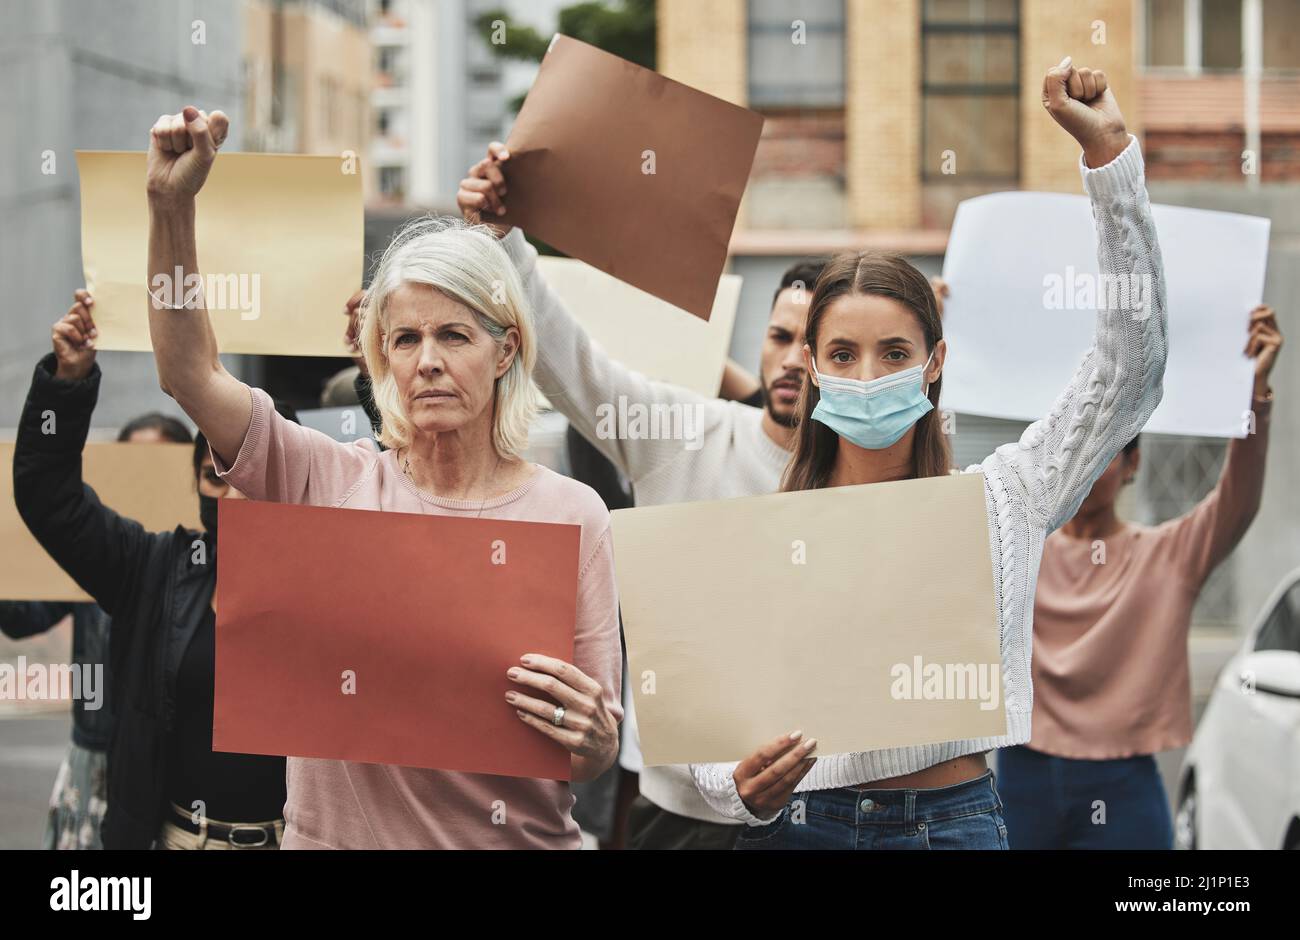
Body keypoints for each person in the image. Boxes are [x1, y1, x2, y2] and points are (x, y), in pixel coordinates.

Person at [684, 59, 1168, 849]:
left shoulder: (1001, 502)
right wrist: (737, 787)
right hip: (800, 830)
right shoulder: (761, 532)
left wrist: (1110, 157)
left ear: (935, 362)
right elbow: (709, 722)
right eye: (841, 354)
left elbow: (1130, 369)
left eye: (893, 352)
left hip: (953, 828)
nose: (867, 376)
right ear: (810, 365)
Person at [141, 105, 623, 849]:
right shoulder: (323, 481)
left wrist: (593, 736)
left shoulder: (572, 512)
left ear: (504, 351)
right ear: (383, 359)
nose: (426, 359)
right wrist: (170, 207)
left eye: (453, 334)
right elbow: (189, 373)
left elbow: (593, 755)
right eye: (405, 338)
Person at [458, 163, 827, 849]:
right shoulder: (683, 434)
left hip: (823, 823)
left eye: (813, 346)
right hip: (679, 817)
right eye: (779, 338)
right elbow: (573, 364)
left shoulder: (871, 479)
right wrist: (505, 242)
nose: (791, 361)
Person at [13, 291, 292, 849]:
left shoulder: (329, 581)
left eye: (247, 475)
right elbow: (49, 496)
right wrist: (64, 385)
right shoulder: (152, 568)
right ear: (195, 486)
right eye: (215, 476)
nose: (232, 493)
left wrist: (372, 373)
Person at [998, 304, 1282, 849]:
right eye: (1084, 448)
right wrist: (926, 357)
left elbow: (1237, 501)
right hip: (1023, 775)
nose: (1092, 463)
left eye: (1110, 451)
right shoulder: (1017, 545)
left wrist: (1254, 396)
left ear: (1133, 465)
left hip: (1123, 785)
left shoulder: (1168, 555)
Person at [1, 407, 190, 850]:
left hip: (174, 768)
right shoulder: (97, 557)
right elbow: (23, 616)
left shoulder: (199, 568)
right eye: (133, 467)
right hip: (95, 758)